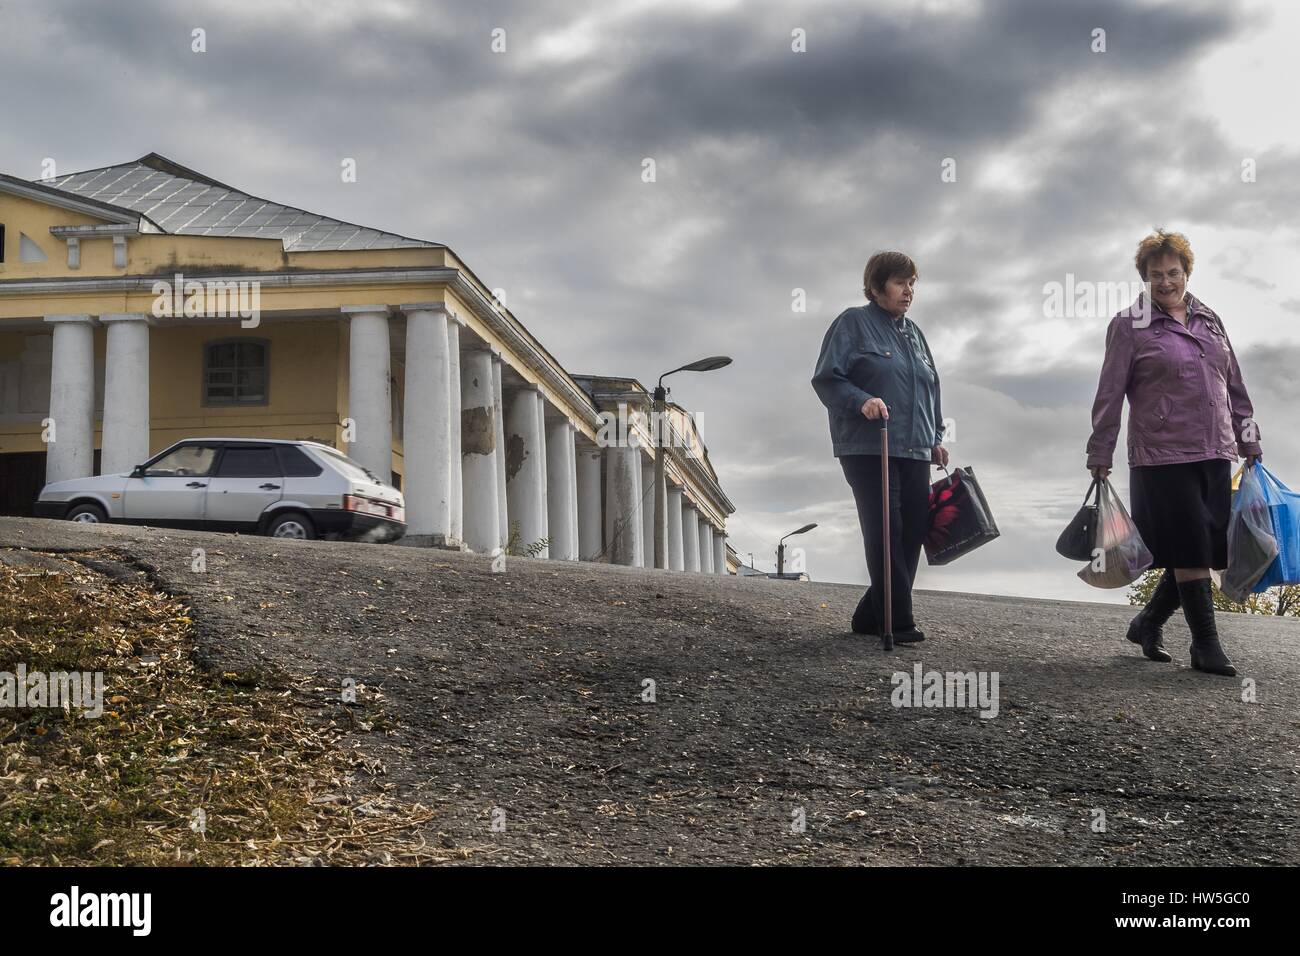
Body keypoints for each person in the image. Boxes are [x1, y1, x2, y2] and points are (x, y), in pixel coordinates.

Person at [1087, 229, 1262, 676]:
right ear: (1144, 277)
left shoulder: (1210, 319)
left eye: (1173, 273)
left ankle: (1147, 622)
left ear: (1187, 273)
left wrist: (1249, 438)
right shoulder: (1128, 325)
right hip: (1162, 452)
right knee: (1189, 545)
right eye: (1156, 275)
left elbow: (1235, 384)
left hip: (1216, 447)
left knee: (1201, 545)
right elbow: (1109, 392)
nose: (1166, 282)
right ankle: (1206, 645)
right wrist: (1100, 449)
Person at [811, 251, 947, 642]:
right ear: (875, 287)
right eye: (900, 282)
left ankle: (870, 615)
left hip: (915, 448)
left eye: (912, 284)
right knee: (887, 528)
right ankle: (897, 621)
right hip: (869, 445)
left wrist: (935, 438)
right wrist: (861, 401)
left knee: (914, 529)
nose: (909, 291)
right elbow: (827, 379)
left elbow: (930, 388)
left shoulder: (915, 334)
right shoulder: (852, 323)